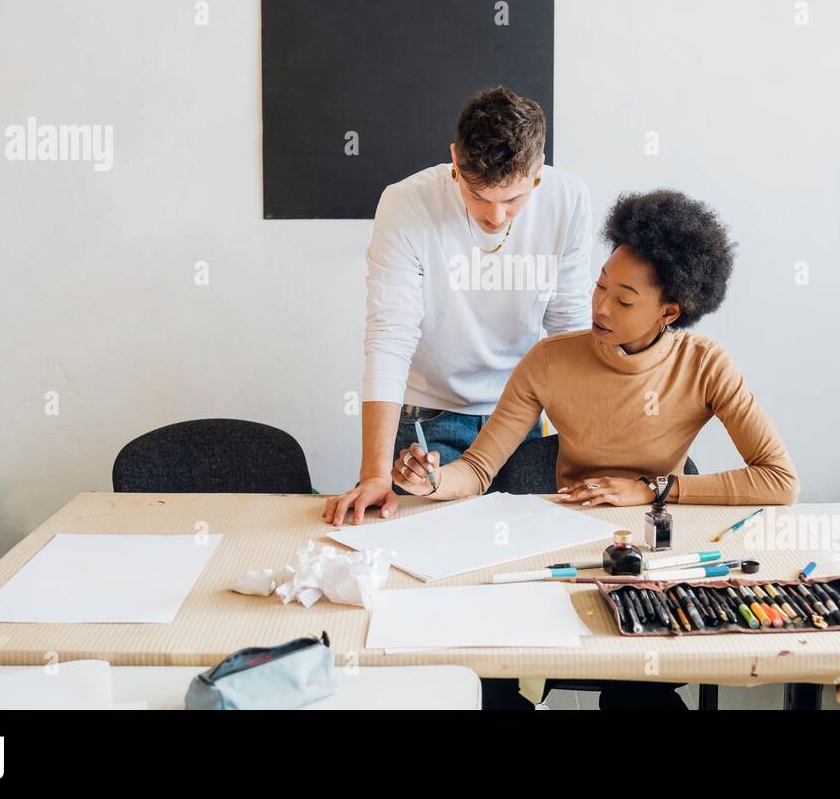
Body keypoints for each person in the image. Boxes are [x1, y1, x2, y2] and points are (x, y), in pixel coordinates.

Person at [393, 189, 797, 710]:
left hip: (654, 563)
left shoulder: (704, 365)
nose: (600, 306)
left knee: (638, 697)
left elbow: (779, 480)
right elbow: (476, 467)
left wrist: (653, 488)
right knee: (487, 678)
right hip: (565, 555)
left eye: (625, 300)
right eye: (600, 285)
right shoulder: (551, 360)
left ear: (669, 311)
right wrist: (431, 479)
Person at [323, 86, 592, 526]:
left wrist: (589, 447)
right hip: (429, 417)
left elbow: (569, 331)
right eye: (478, 196)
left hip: (522, 414)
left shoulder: (569, 200)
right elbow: (390, 338)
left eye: (513, 200)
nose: (496, 217)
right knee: (427, 549)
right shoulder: (406, 203)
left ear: (539, 169)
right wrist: (373, 474)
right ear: (454, 159)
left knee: (526, 548)